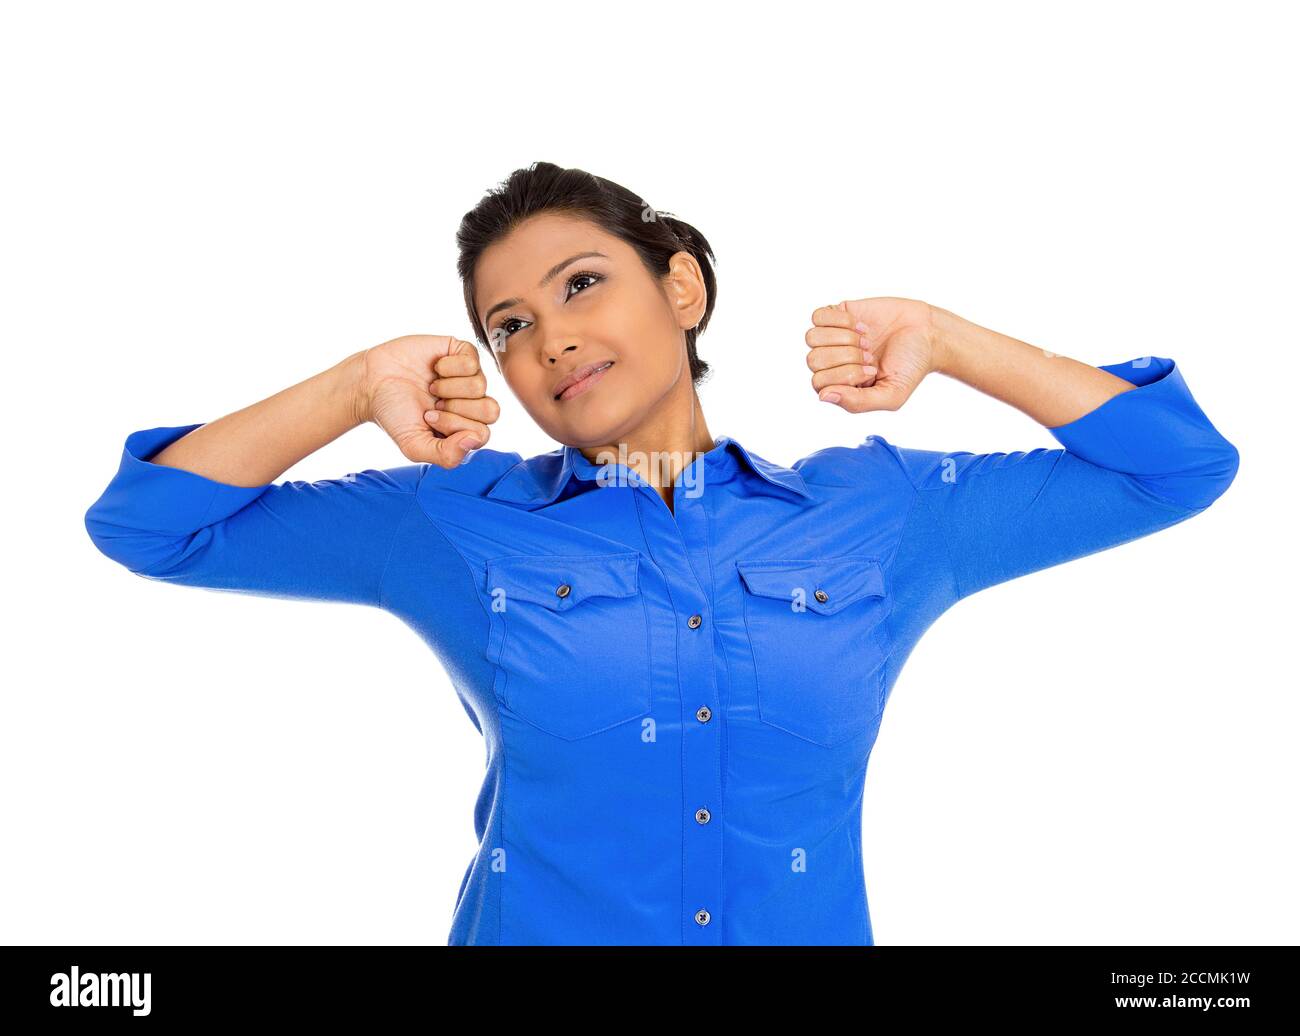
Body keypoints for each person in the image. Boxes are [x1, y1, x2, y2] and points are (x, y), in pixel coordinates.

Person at [84, 161, 1240, 945]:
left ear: (679, 285)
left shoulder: (879, 511)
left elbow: (1177, 466)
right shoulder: (450, 519)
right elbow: (146, 523)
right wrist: (350, 388)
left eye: (581, 283)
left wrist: (947, 340)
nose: (552, 338)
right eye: (509, 326)